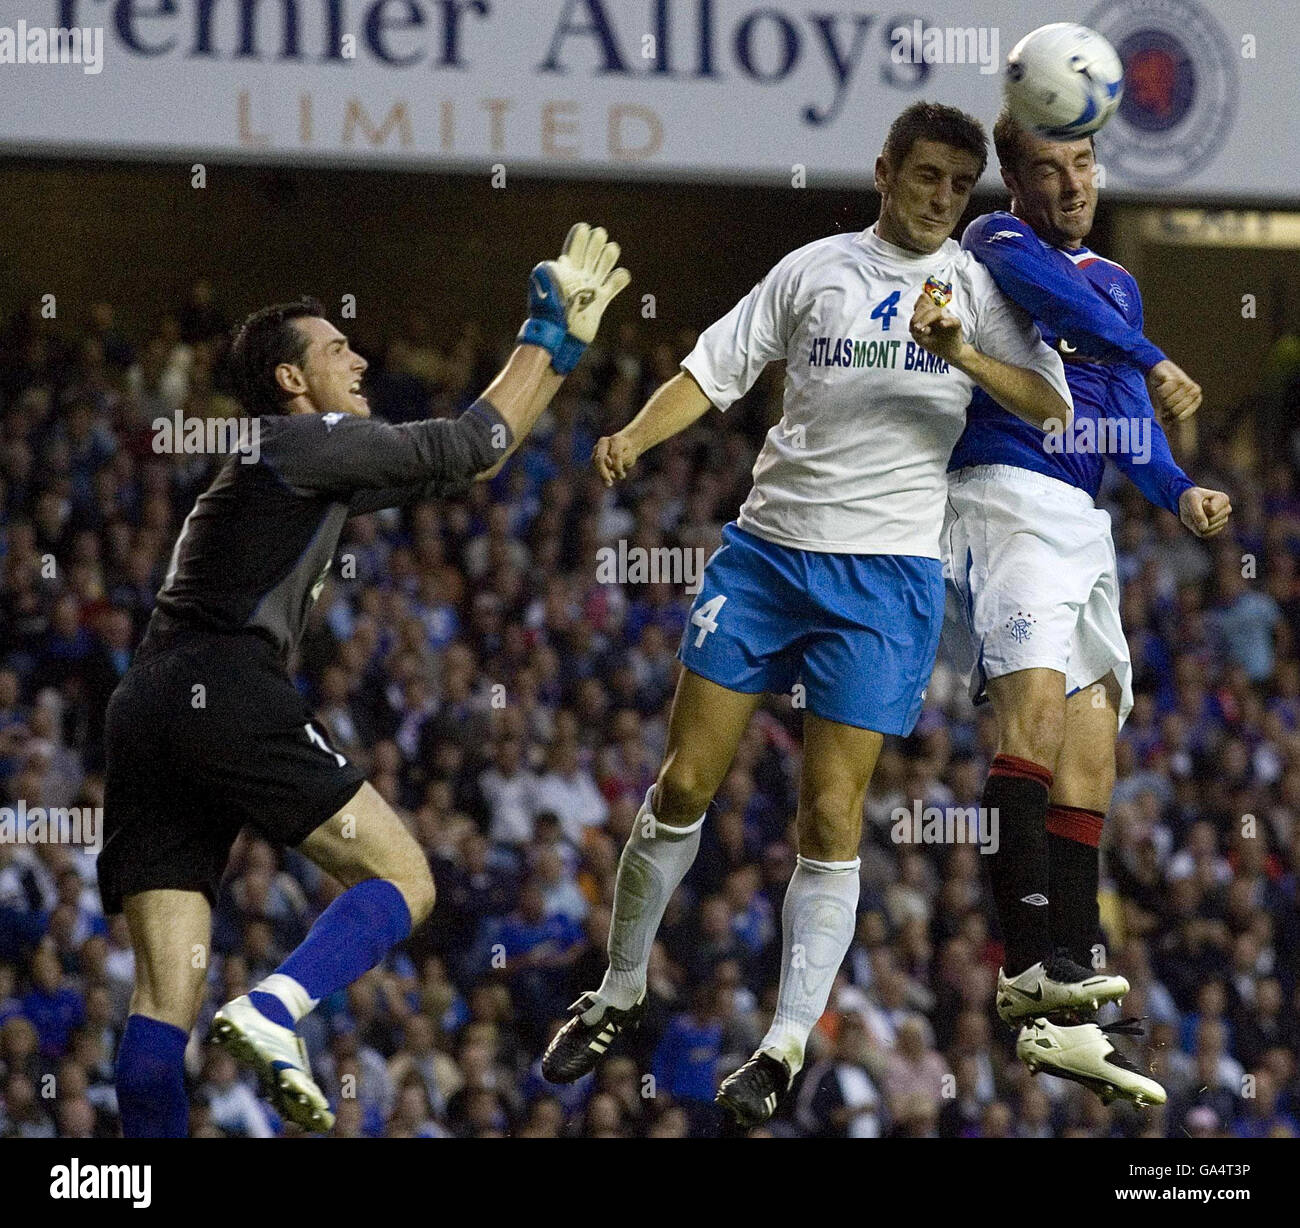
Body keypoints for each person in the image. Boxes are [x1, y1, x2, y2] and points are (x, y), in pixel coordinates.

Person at [542, 101, 1076, 1128]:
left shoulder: (977, 288)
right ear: (883, 171)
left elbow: (1049, 402)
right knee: (684, 781)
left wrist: (962, 353)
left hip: (885, 582)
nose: (939, 199)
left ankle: (785, 1044)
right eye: (924, 176)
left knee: (830, 818)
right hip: (766, 559)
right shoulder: (812, 269)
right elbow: (714, 367)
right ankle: (615, 991)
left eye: (959, 186)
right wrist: (635, 436)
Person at [96, 225, 629, 1136]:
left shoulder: (283, 465)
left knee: (161, 1000)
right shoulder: (306, 442)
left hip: (147, 707)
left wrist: (563, 352)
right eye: (336, 347)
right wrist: (541, 335)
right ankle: (274, 1007)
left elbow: (482, 458)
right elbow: (468, 439)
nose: (359, 355)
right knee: (405, 878)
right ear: (291, 379)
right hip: (227, 685)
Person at [942, 111, 1232, 1107]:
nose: (1069, 185)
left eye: (1081, 165)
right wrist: (1151, 351)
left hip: (1082, 524)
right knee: (1027, 716)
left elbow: (1123, 415)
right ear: (1014, 183)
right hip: (1001, 500)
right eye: (1046, 170)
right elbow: (1063, 313)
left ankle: (1066, 983)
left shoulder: (1116, 283)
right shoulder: (997, 246)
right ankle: (1023, 951)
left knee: (1092, 749)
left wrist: (1175, 489)